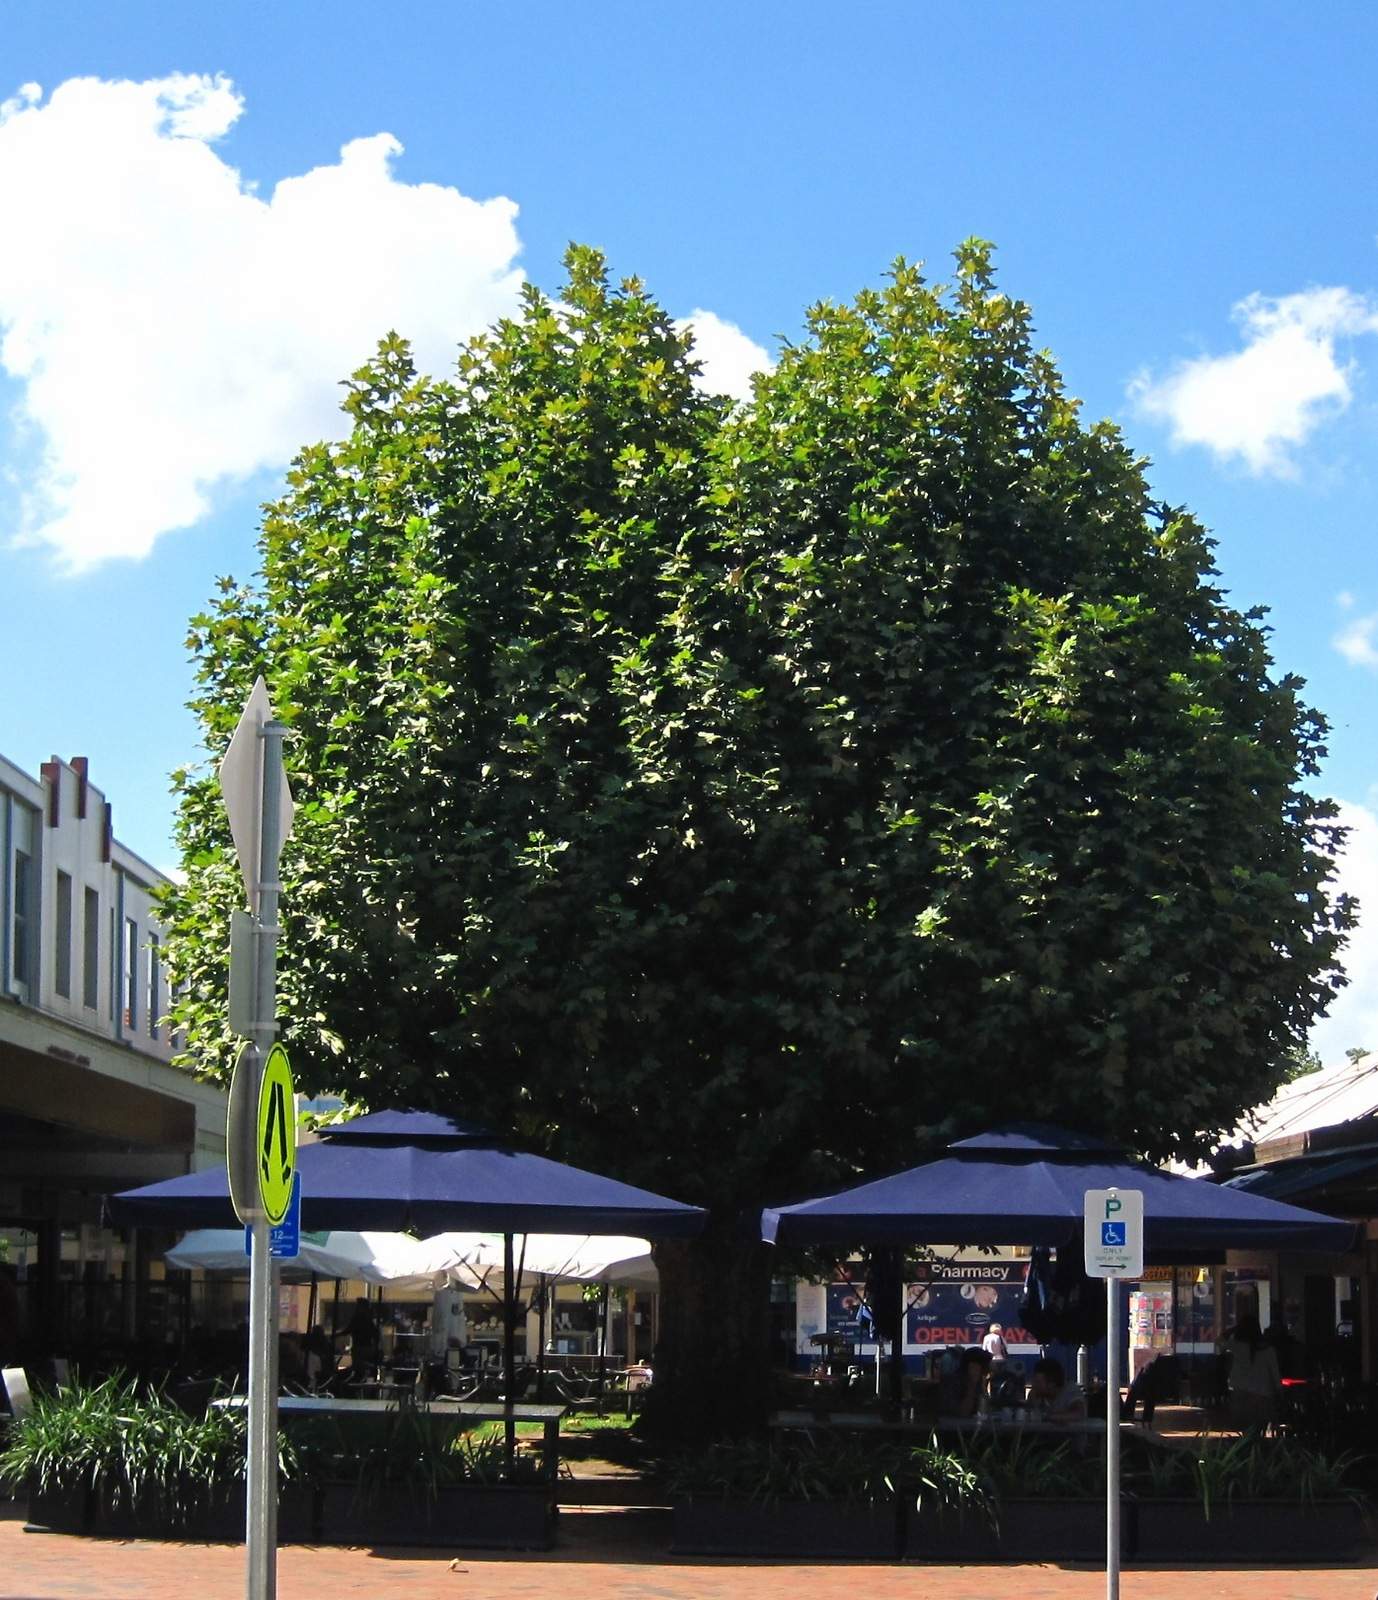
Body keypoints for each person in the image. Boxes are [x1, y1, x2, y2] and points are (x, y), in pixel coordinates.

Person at [1227, 1313, 1281, 1432]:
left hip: (1240, 1394)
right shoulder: (1268, 1350)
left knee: (1244, 1431)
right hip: (1262, 1396)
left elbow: (1219, 1340)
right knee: (1258, 1430)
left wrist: (1234, 1328)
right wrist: (1278, 1391)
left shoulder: (1237, 1346)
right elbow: (1275, 1374)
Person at [1027, 1357, 1086, 1423]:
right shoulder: (1035, 1395)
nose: (1033, 1385)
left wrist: (1047, 1417)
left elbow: (1078, 1414)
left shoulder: (1071, 1391)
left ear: (1052, 1384)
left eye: (1038, 1382)